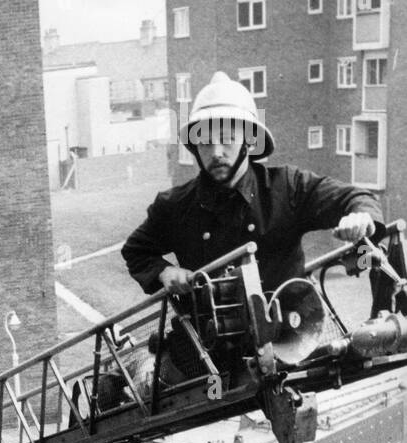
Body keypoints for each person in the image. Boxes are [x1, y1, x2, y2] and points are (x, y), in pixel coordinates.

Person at [121, 72, 382, 300]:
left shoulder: (287, 187)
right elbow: (136, 250)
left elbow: (356, 197)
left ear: (248, 141)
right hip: (209, 342)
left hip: (289, 334)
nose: (216, 153)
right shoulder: (175, 205)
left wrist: (361, 217)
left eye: (226, 140)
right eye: (205, 143)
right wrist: (165, 272)